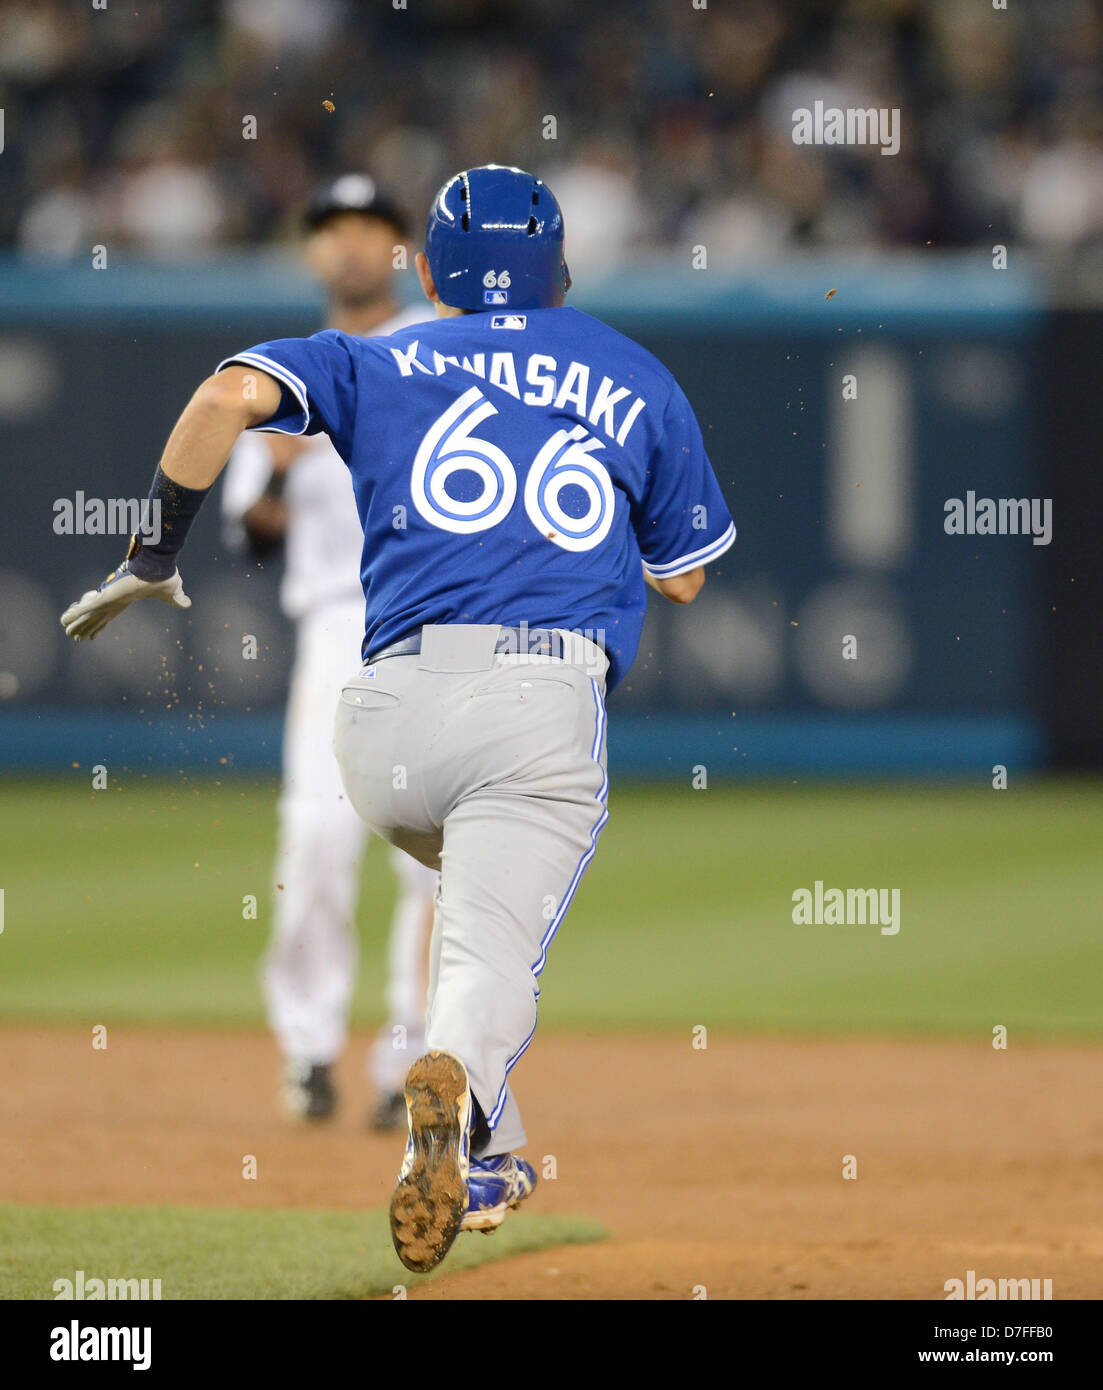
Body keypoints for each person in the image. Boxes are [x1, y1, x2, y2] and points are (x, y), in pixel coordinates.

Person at [60, 163, 735, 1273]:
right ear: (559, 275)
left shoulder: (372, 357)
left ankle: (492, 1147)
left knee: (458, 903)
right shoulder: (632, 372)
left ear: (426, 272)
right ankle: (453, 1112)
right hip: (533, 705)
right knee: (486, 952)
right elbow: (686, 579)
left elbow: (225, 397)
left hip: (377, 722)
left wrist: (151, 551)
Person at [220, 175, 436, 1129]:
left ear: (399, 248)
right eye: (332, 230)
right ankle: (308, 1049)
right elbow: (252, 533)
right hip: (335, 627)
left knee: (434, 858)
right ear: (311, 251)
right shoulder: (281, 375)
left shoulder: (442, 350)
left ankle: (412, 1059)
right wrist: (277, 459)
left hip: (435, 622)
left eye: (370, 228)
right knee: (314, 837)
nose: (350, 245)